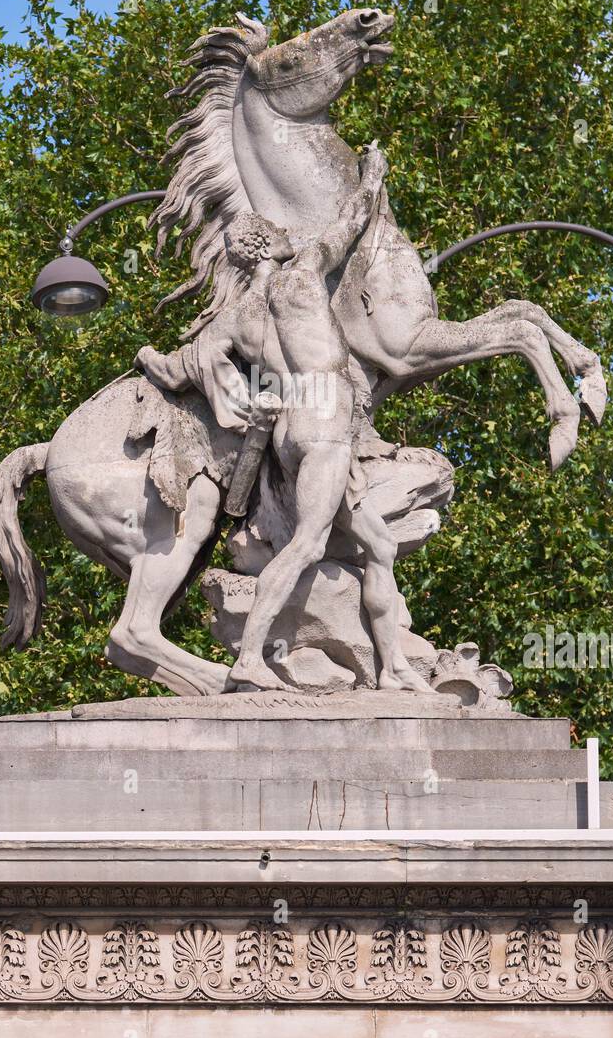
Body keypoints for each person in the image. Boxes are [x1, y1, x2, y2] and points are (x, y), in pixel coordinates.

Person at [139, 143, 433, 692]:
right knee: (307, 545)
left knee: (381, 545)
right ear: (269, 243)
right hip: (325, 417)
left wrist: (146, 358)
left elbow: (178, 369)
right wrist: (371, 176)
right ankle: (250, 657)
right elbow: (350, 220)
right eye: (277, 232)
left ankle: (393, 668)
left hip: (288, 431)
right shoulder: (302, 274)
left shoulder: (234, 317)